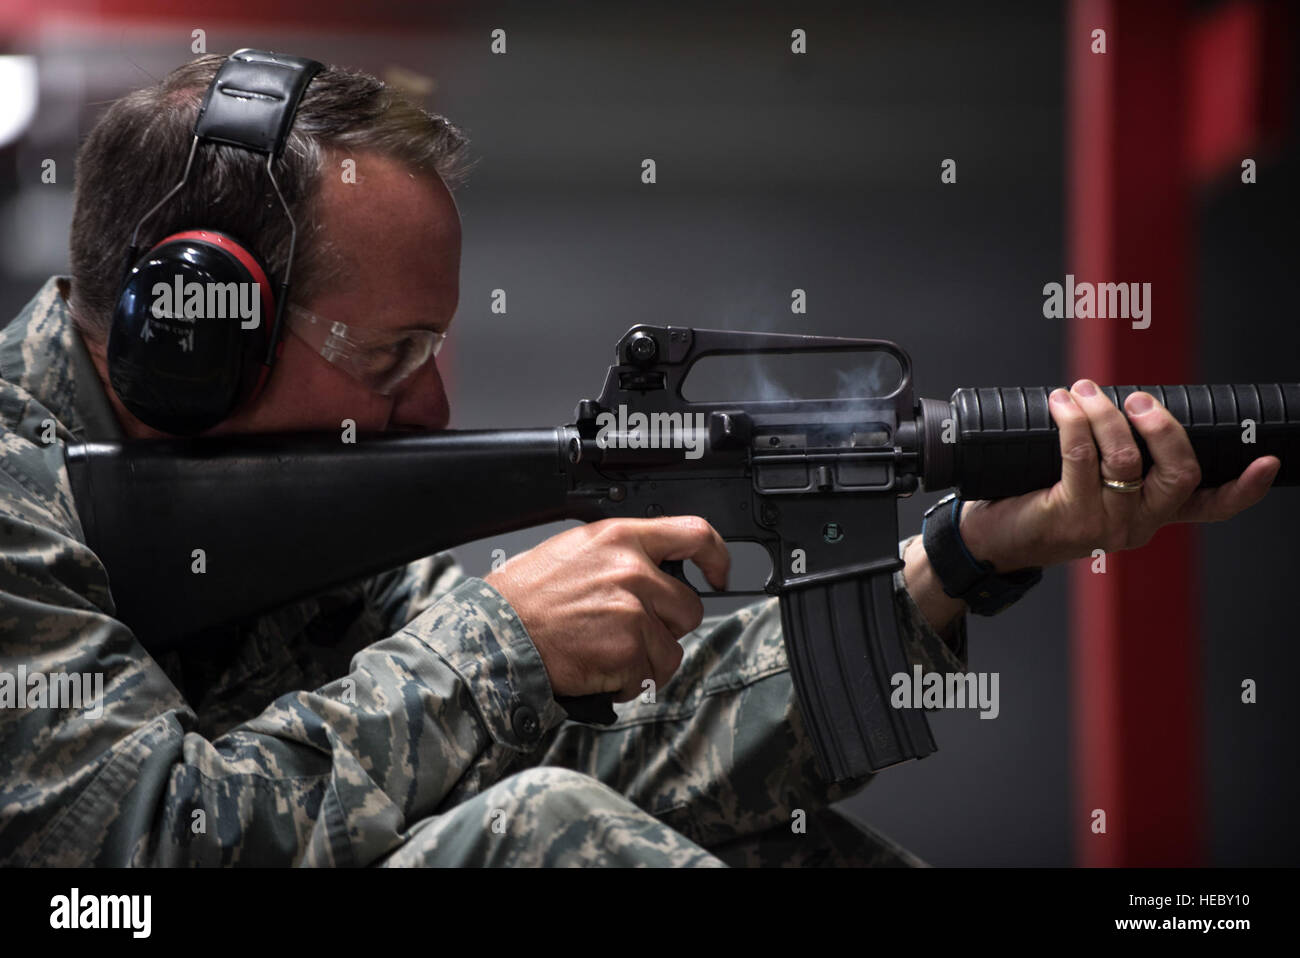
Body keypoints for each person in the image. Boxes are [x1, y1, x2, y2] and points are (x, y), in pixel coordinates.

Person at [0, 54, 1280, 867]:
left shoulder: (281, 515)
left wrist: (964, 554)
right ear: (194, 338)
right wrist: (500, 642)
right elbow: (144, 852)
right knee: (528, 838)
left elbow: (619, 758)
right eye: (393, 354)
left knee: (765, 839)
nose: (434, 399)